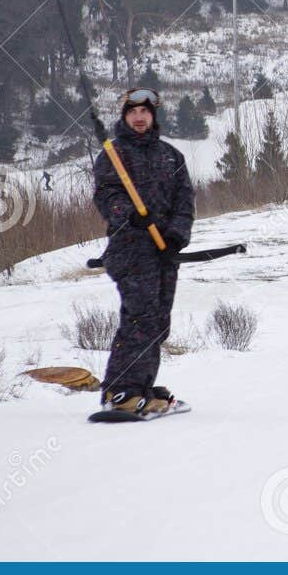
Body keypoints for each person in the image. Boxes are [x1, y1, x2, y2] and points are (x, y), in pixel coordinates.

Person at [92, 88, 195, 416]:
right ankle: (120, 390)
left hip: (164, 253)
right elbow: (106, 196)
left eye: (145, 112)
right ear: (125, 117)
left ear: (153, 116)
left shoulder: (171, 156)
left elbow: (185, 201)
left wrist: (176, 237)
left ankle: (141, 387)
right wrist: (130, 214)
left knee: (158, 322)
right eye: (133, 112)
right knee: (141, 318)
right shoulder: (113, 154)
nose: (139, 117)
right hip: (130, 250)